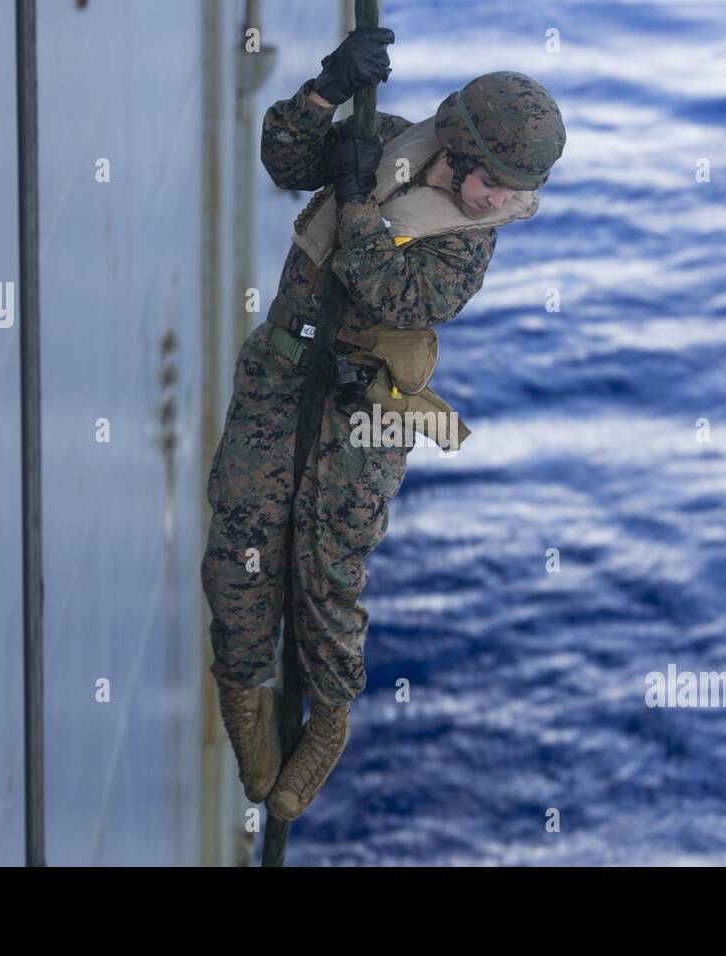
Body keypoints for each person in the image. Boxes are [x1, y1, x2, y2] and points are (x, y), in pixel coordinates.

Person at [201, 25, 566, 823]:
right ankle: (243, 700)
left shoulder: (467, 244)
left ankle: (328, 719)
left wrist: (358, 195)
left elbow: (395, 291)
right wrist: (327, 90)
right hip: (283, 373)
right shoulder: (388, 140)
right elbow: (286, 159)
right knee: (241, 547)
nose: (503, 203)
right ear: (460, 150)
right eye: (496, 182)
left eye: (517, 190)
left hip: (364, 409)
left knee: (329, 572)